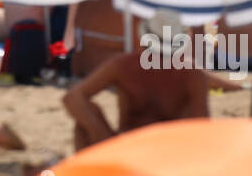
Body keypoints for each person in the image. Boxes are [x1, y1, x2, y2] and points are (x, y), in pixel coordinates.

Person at [62, 12, 210, 150]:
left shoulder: (191, 74)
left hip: (167, 149)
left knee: (85, 122)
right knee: (84, 121)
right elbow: (73, 98)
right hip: (134, 146)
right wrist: (102, 134)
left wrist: (101, 135)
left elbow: (201, 127)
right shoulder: (124, 65)